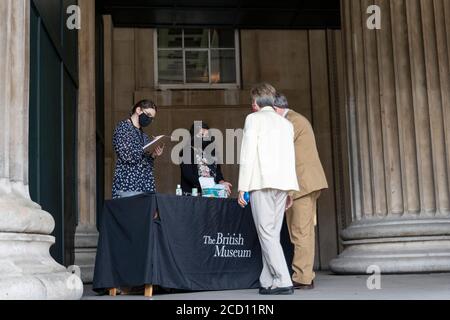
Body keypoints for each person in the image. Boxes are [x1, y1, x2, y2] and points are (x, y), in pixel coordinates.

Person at [237, 83, 299, 295]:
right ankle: (268, 279)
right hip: (282, 184)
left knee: (266, 233)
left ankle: (283, 279)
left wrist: (242, 187)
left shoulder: (253, 120)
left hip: (261, 182)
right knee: (271, 233)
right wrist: (291, 190)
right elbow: (290, 158)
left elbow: (247, 156)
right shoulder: (286, 123)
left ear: (255, 103)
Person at [273, 93, 328, 290]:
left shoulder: (291, 122)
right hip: (305, 183)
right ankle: (305, 274)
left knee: (300, 232)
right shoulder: (295, 120)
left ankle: (303, 277)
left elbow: (282, 152)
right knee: (302, 231)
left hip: (302, 184)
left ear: (275, 108)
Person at [112, 100, 164, 199]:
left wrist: (153, 154)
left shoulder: (143, 135)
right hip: (128, 185)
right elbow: (127, 156)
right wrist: (144, 149)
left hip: (145, 185)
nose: (149, 119)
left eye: (152, 118)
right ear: (138, 110)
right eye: (148, 115)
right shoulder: (123, 128)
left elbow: (145, 162)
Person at [180, 122, 232, 196]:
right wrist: (212, 186)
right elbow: (189, 175)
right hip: (193, 197)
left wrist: (222, 183)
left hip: (212, 195)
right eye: (201, 135)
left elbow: (218, 173)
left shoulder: (213, 152)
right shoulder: (187, 151)